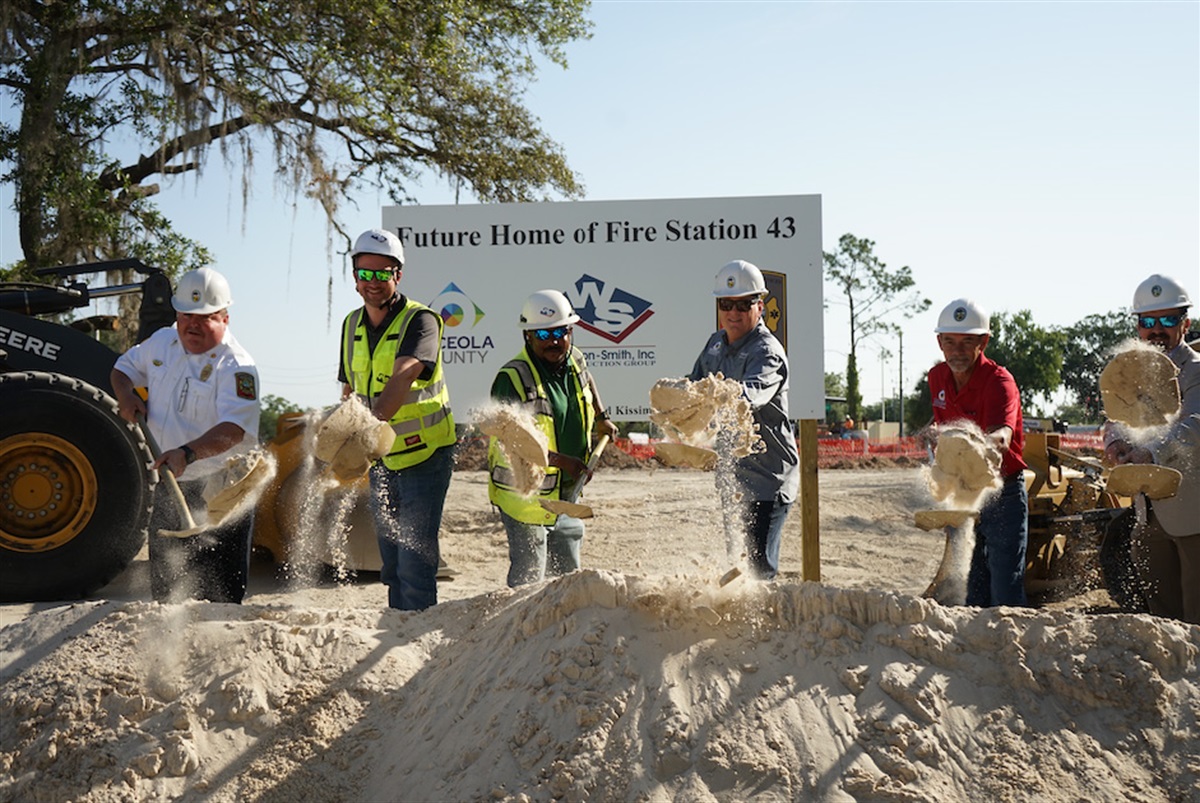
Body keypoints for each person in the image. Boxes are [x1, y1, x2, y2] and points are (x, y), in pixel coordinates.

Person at [111, 267, 261, 603]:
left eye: (205, 317)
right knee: (167, 596)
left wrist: (188, 453)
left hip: (222, 491)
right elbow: (122, 369)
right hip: (171, 485)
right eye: (185, 315)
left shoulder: (237, 366)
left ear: (225, 317)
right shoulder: (163, 341)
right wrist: (126, 396)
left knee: (220, 598)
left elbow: (234, 430)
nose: (192, 325)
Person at [338, 228, 457, 611]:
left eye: (382, 273)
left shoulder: (421, 321)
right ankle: (397, 628)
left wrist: (368, 427)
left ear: (398, 275)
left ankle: (418, 637)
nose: (373, 282)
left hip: (425, 456)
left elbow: (404, 374)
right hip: (383, 459)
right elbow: (349, 392)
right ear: (355, 276)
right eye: (365, 273)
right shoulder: (350, 325)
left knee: (414, 561)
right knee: (389, 559)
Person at [487, 289, 619, 587]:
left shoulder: (574, 359)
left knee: (567, 577)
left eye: (561, 331)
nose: (554, 340)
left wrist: (602, 416)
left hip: (566, 490)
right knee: (529, 580)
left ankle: (560, 632)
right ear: (528, 336)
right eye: (543, 333)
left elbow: (589, 379)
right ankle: (522, 631)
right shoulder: (512, 378)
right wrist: (562, 462)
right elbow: (513, 442)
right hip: (526, 497)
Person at [689, 260, 799, 580]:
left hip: (768, 480)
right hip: (735, 480)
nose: (733, 313)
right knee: (739, 563)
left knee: (757, 569)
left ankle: (767, 629)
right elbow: (695, 387)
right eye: (726, 304)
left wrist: (709, 398)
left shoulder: (767, 352)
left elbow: (748, 398)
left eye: (743, 304)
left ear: (760, 306)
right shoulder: (715, 344)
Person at [1103, 274, 1200, 623]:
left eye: (1168, 320)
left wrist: (1151, 453)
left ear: (1185, 324)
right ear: (1138, 327)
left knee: (1196, 620)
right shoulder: (1133, 371)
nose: (1157, 329)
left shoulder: (1197, 370)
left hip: (1193, 518)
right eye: (1148, 321)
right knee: (1163, 620)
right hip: (1147, 517)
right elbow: (1116, 415)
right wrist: (1114, 442)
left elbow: (1195, 426)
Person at [928, 298, 1028, 608]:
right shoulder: (937, 377)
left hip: (1002, 495)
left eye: (967, 342)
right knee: (971, 591)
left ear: (983, 342)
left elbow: (1002, 437)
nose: (957, 350)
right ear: (940, 343)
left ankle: (1009, 652)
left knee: (1005, 592)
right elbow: (943, 428)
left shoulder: (1000, 382)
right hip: (963, 495)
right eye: (950, 341)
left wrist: (985, 444)